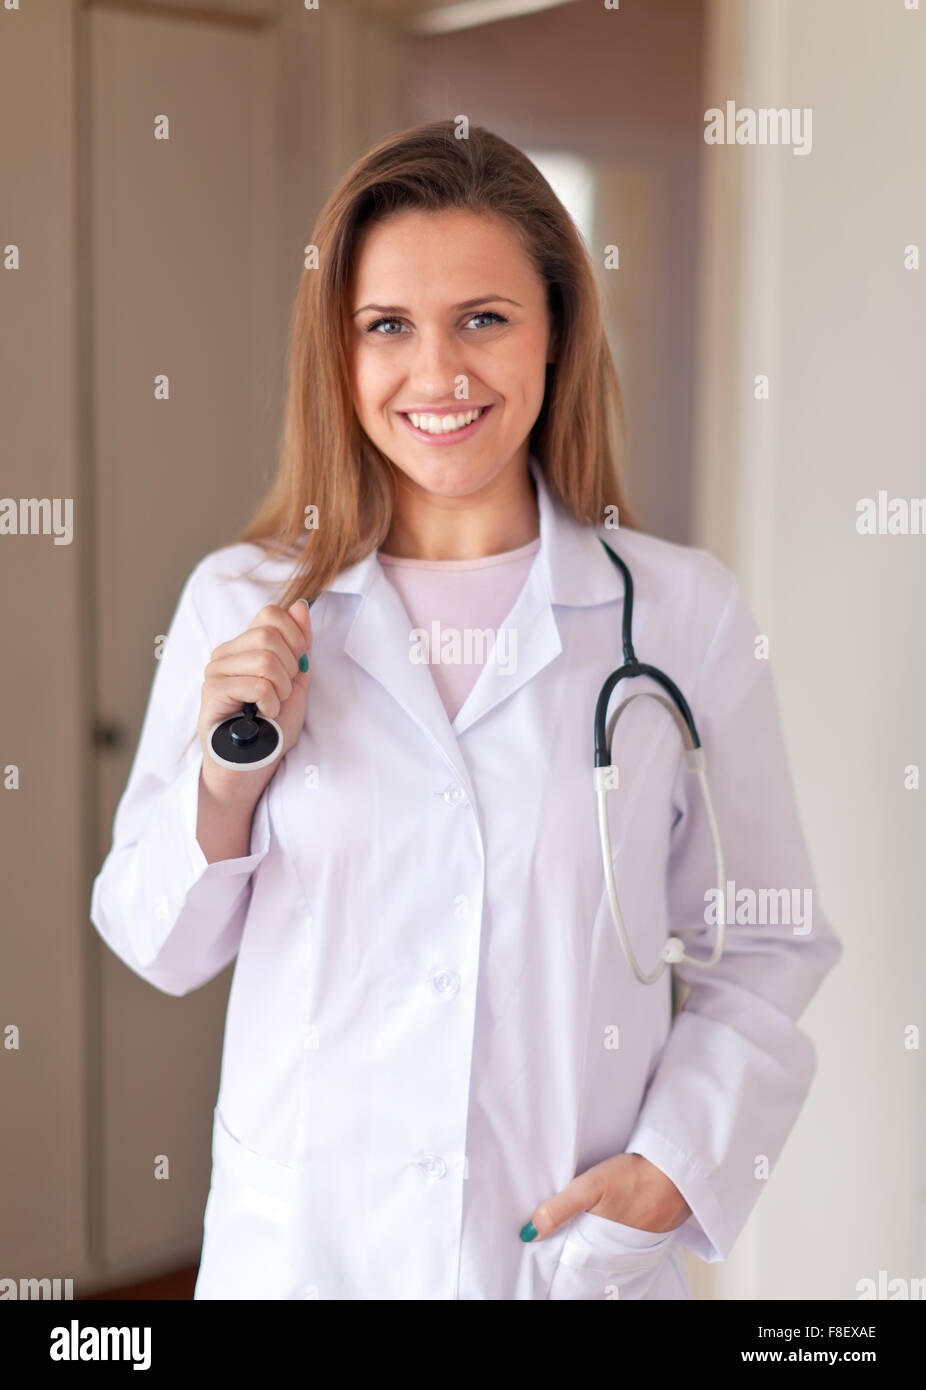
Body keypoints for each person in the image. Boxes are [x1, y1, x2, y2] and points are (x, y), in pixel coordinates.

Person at [89, 120, 842, 1300]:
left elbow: (767, 937)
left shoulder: (678, 615)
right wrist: (224, 782)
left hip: (556, 1258)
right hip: (305, 1258)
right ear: (337, 354)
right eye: (386, 326)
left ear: (555, 333)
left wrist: (672, 1169)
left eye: (482, 319)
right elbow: (157, 945)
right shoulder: (240, 602)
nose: (437, 373)